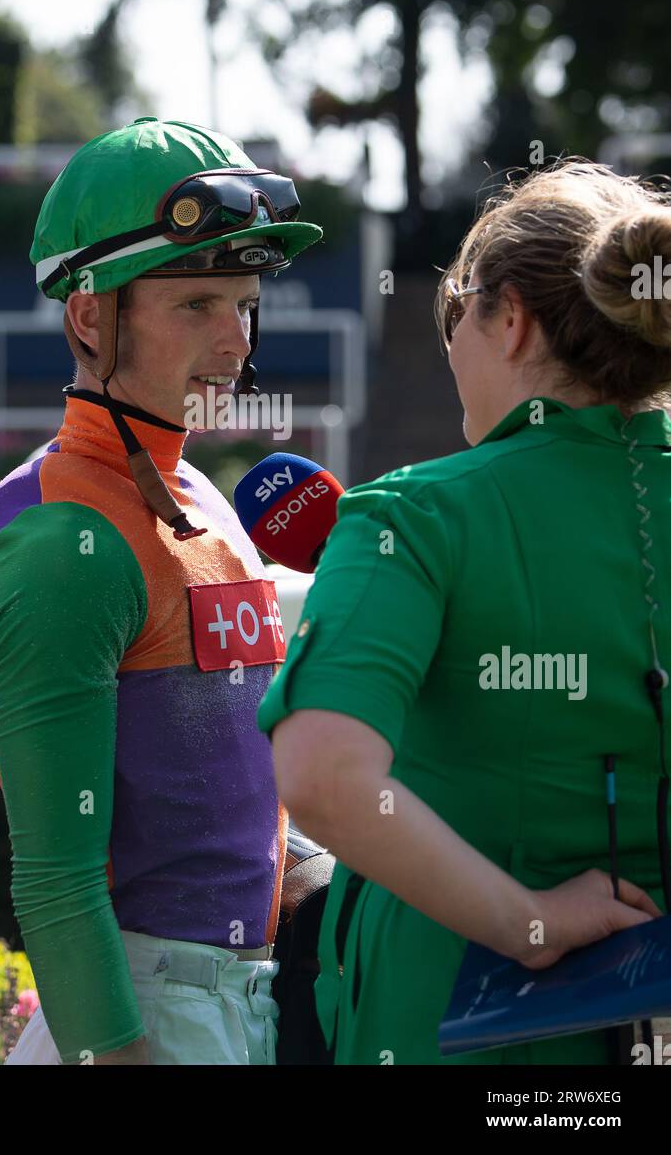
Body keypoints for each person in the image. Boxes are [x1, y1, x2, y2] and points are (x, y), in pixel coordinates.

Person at [257, 156, 671, 1065]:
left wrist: (529, 922)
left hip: (458, 1024)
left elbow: (323, 774)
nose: (450, 352)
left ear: (511, 317)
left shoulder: (411, 514)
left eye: (456, 316)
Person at [0, 117, 323, 1064]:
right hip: (137, 1014)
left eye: (244, 302)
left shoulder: (207, 500)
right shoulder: (59, 540)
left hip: (246, 1002)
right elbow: (57, 879)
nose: (236, 339)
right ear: (89, 316)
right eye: (196, 304)